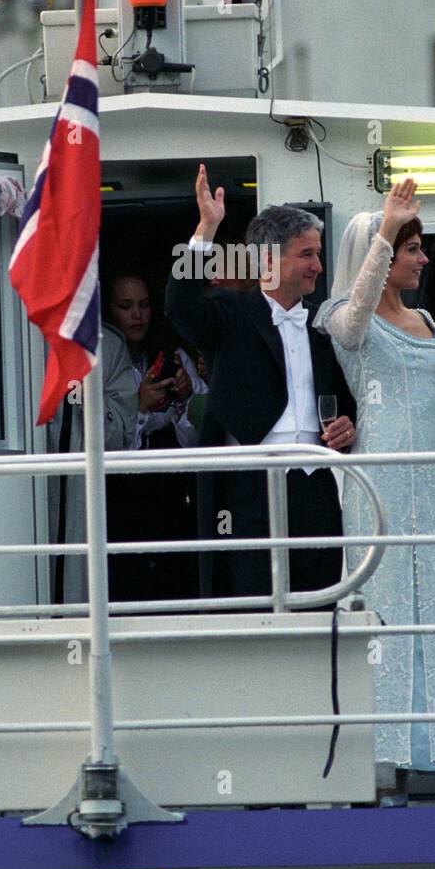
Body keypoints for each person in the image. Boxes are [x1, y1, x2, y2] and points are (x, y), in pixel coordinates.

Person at [313, 179, 435, 805]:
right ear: (381, 258)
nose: (423, 259)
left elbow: (419, 405)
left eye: (416, 247)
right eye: (413, 249)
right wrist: (385, 227)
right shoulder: (339, 316)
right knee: (387, 612)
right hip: (379, 481)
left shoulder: (428, 319)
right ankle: (388, 762)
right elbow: (355, 327)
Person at [165, 164, 356, 601]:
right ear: (269, 259)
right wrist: (206, 228)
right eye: (306, 254)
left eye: (318, 253)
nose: (317, 265)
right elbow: (179, 306)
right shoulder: (231, 314)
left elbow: (347, 397)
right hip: (249, 490)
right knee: (254, 603)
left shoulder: (325, 324)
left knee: (321, 602)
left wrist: (349, 423)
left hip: (315, 487)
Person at [104, 272, 208, 601]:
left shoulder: (175, 354)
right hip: (119, 491)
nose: (137, 315)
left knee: (173, 574)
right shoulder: (100, 362)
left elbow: (199, 442)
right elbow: (105, 441)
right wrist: (140, 408)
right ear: (109, 311)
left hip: (169, 488)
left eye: (145, 305)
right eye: (126, 306)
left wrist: (185, 398)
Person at [46, 321, 138, 604]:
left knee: (79, 596)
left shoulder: (107, 344)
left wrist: (89, 396)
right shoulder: (16, 333)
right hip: (26, 495)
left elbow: (120, 438)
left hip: (82, 496)